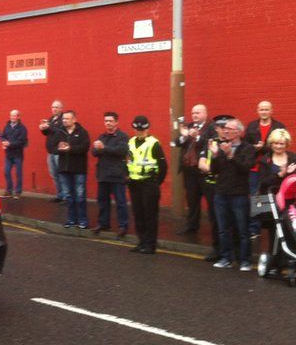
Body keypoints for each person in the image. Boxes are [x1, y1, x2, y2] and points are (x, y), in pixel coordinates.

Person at [201, 117, 255, 271]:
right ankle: (226, 258)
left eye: (229, 129)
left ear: (238, 132)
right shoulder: (221, 146)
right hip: (221, 193)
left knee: (242, 229)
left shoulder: (247, 148)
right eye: (224, 129)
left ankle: (245, 260)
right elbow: (214, 170)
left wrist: (230, 155)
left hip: (239, 194)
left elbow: (245, 168)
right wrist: (215, 156)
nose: (225, 131)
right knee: (223, 229)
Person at [257, 128, 296, 264]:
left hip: (291, 201)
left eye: (282, 144)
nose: (278, 146)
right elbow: (263, 183)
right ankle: (275, 262)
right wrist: (280, 175)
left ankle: (293, 261)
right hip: (272, 201)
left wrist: (291, 174)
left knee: (291, 231)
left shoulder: (294, 158)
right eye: (276, 143)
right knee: (275, 232)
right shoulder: (265, 160)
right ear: (271, 144)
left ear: (287, 144)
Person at [126, 115, 167, 254]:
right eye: (137, 130)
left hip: (149, 183)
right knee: (138, 214)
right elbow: (128, 160)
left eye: (142, 130)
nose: (139, 132)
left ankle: (150, 244)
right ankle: (141, 242)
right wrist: (127, 175)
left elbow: (163, 166)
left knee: (150, 215)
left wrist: (156, 182)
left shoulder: (154, 143)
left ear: (147, 129)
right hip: (134, 183)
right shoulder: (131, 142)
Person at [244, 101, 286, 237]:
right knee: (255, 197)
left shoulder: (279, 126)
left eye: (266, 109)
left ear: (271, 111)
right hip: (254, 168)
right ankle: (255, 228)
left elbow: (282, 145)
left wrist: (263, 147)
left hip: (271, 167)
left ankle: (274, 226)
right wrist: (254, 148)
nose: (264, 112)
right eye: (261, 109)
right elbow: (245, 144)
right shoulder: (252, 126)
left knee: (272, 195)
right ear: (257, 111)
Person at [176, 104, 214, 235]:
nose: (194, 115)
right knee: (192, 200)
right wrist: (184, 136)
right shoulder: (189, 126)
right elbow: (177, 142)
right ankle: (191, 226)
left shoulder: (211, 126)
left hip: (204, 171)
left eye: (198, 113)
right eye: (193, 113)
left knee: (211, 200)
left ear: (205, 114)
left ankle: (215, 228)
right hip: (189, 171)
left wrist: (196, 136)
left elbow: (210, 143)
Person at [91, 112, 130, 238]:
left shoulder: (123, 136)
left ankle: (123, 226)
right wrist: (97, 148)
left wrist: (104, 148)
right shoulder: (102, 136)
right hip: (103, 174)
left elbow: (121, 151)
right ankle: (103, 224)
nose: (108, 123)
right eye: (106, 121)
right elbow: (94, 152)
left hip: (117, 174)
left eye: (110, 121)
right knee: (102, 201)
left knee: (120, 202)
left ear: (116, 122)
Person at [56, 110, 90, 229]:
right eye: (63, 119)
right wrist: (58, 149)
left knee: (80, 195)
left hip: (78, 169)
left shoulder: (82, 132)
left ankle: (82, 220)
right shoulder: (60, 132)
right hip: (64, 169)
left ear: (74, 120)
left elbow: (85, 147)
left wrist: (70, 149)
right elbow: (52, 146)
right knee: (69, 196)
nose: (64, 121)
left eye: (67, 118)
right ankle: (71, 219)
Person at [39, 100, 68, 203]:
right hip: (50, 151)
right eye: (53, 107)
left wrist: (49, 127)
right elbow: (48, 133)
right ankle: (59, 195)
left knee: (61, 174)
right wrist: (43, 129)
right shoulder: (51, 119)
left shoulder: (63, 119)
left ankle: (66, 197)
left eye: (56, 107)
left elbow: (61, 132)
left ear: (61, 109)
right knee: (54, 174)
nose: (54, 109)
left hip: (59, 152)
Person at [0, 109, 28, 198]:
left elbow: (21, 141)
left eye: (14, 115)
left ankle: (18, 192)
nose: (12, 117)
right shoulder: (7, 126)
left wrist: (10, 144)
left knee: (18, 173)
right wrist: (3, 141)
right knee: (6, 172)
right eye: (11, 115)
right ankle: (9, 190)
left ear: (18, 117)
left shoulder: (22, 128)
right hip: (8, 154)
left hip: (18, 154)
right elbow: (2, 136)